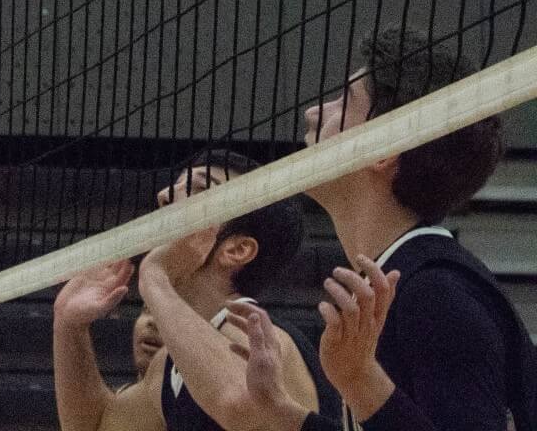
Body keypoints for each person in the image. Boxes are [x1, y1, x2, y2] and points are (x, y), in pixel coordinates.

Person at [217, 28, 534, 431]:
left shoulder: (436, 293)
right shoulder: (402, 280)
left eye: (344, 101)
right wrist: (279, 410)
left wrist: (360, 381)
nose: (313, 113)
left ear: (382, 149)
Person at [53, 151, 336, 431]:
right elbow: (95, 427)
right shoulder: (167, 368)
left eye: (199, 189)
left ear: (237, 249)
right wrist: (69, 326)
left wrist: (155, 277)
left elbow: (239, 405)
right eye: (176, 185)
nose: (164, 195)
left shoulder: (260, 337)